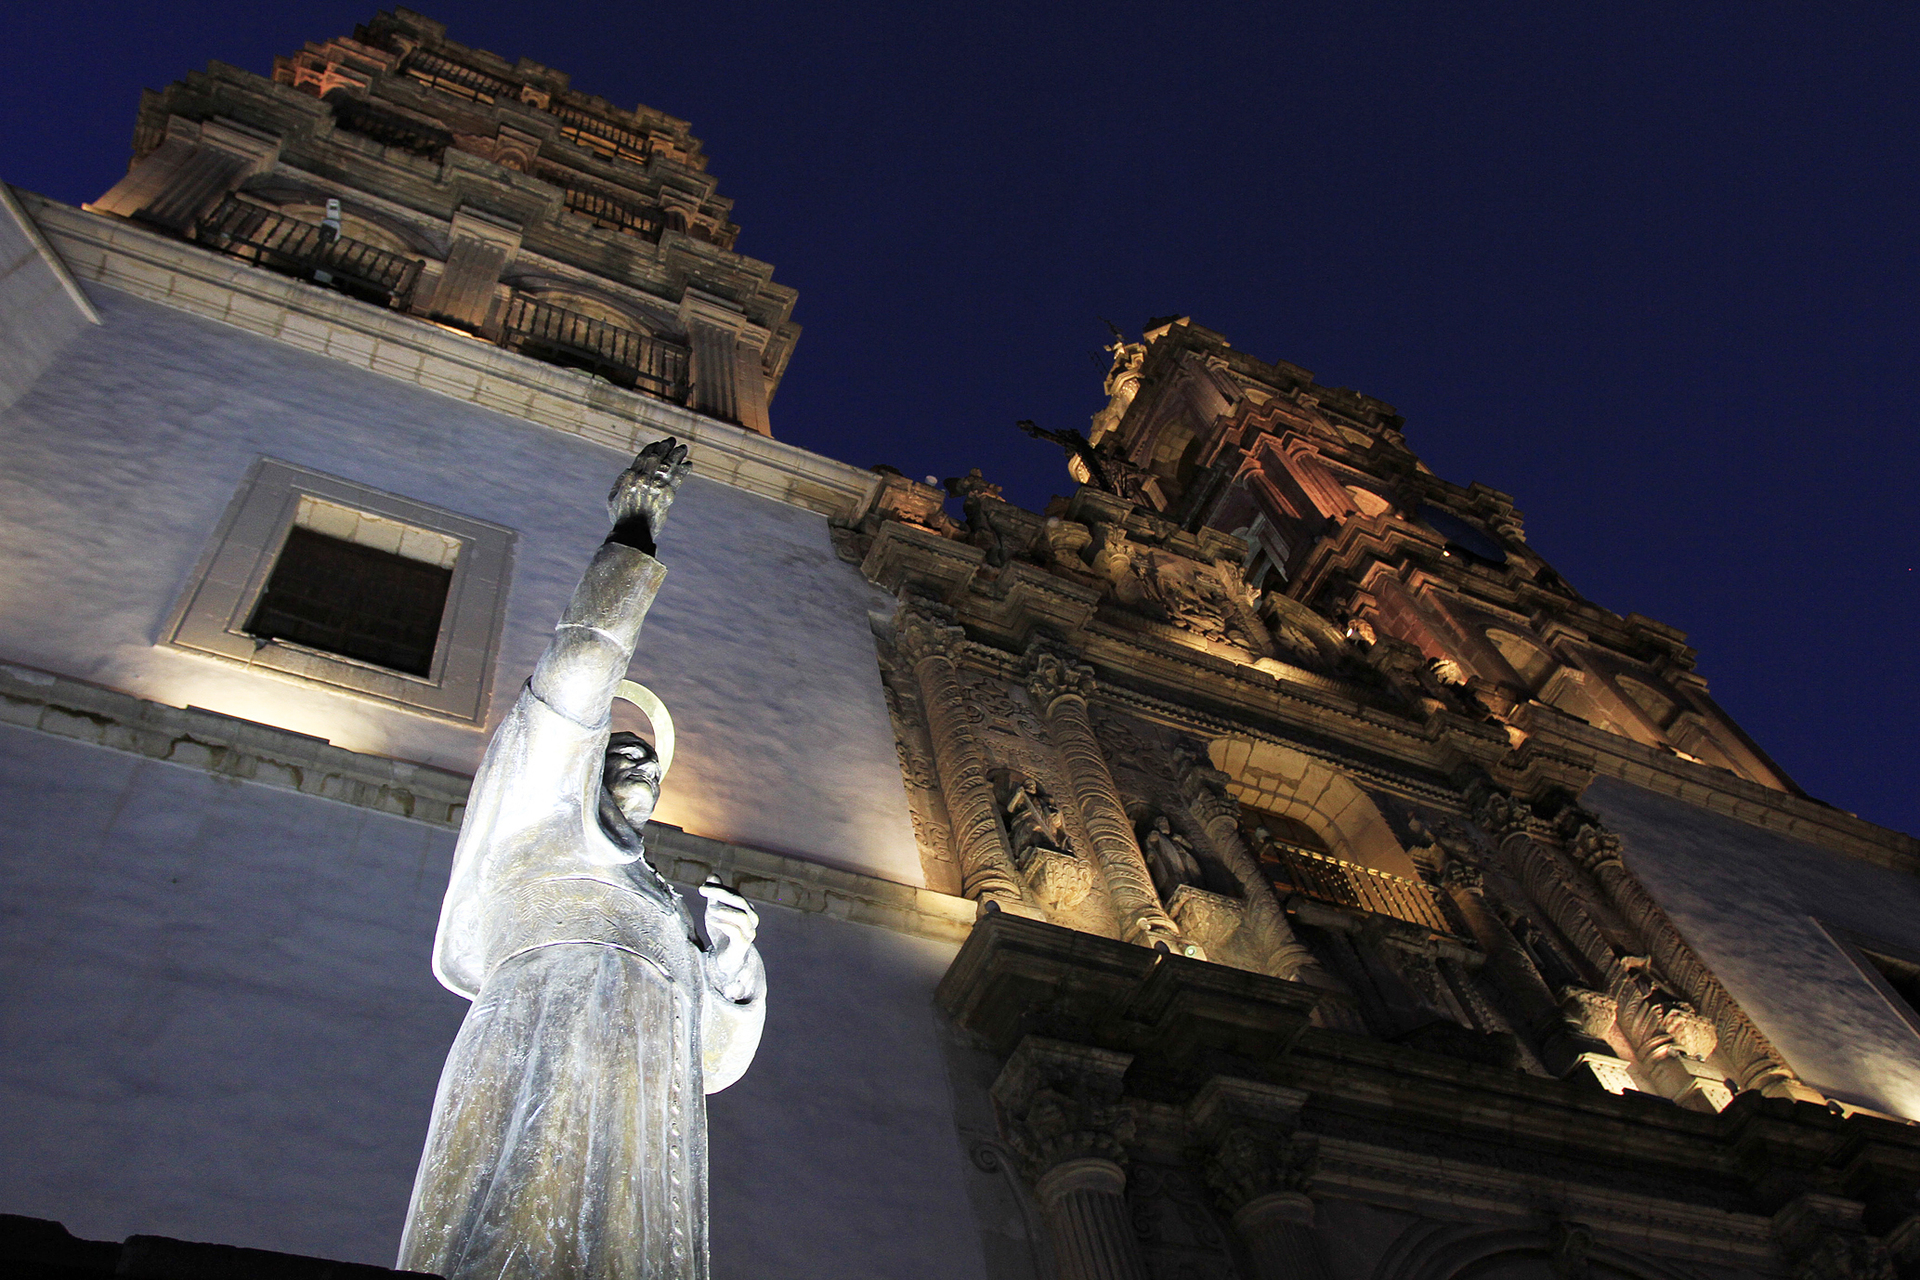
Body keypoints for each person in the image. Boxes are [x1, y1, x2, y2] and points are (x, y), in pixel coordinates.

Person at [398, 438, 766, 1280]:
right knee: (522, 1205)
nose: (641, 769)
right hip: (543, 1032)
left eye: (652, 766)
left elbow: (710, 1059)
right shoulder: (545, 821)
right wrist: (632, 535)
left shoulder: (664, 901)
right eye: (621, 753)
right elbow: (579, 668)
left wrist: (730, 961)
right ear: (585, 764)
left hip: (646, 1093)